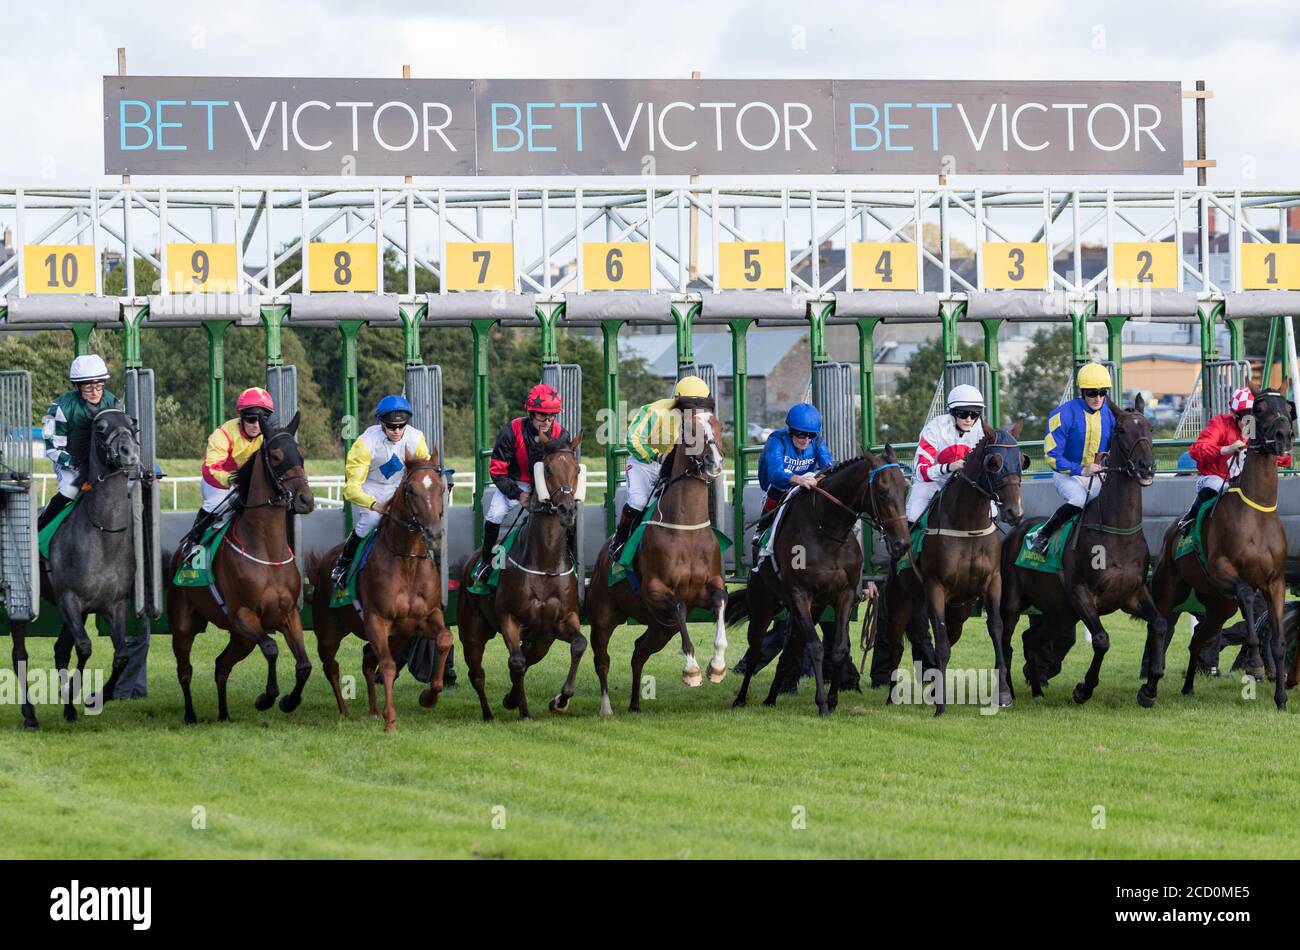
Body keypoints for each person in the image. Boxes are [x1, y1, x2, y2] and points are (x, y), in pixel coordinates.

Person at [331, 395, 431, 587]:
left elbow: (423, 469)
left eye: (401, 426)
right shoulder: (366, 442)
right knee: (371, 520)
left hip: (400, 489)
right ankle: (343, 564)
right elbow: (351, 489)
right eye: (391, 427)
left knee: (423, 518)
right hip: (371, 489)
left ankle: (431, 562)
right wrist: (375, 505)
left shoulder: (416, 438)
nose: (397, 431)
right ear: (381, 424)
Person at [475, 383, 570, 584]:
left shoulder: (562, 434)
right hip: (514, 483)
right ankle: (485, 563)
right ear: (531, 413)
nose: (547, 421)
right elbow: (497, 471)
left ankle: (570, 561)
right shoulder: (511, 430)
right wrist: (518, 494)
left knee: (568, 513)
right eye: (542, 416)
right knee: (495, 514)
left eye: (552, 416)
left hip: (547, 484)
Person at [609, 375, 711, 560]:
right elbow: (632, 439)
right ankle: (621, 539)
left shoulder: (701, 418)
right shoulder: (654, 410)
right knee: (639, 502)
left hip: (673, 467)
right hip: (644, 464)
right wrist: (657, 455)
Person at [1027, 362, 1115, 554]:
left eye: (1102, 392)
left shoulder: (1109, 414)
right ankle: (1042, 535)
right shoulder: (1062, 414)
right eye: (1092, 393)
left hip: (1097, 474)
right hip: (1067, 475)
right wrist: (1082, 470)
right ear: (1082, 391)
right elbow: (1052, 456)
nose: (1098, 398)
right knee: (1079, 498)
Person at [1179, 386, 1292, 535]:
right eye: (1245, 418)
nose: (1249, 423)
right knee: (1222, 488)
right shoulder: (1219, 423)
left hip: (1242, 482)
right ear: (1235, 415)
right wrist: (1225, 449)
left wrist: (1278, 451)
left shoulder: (1255, 432)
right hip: (1214, 478)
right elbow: (1196, 450)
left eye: (1253, 418)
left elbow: (1286, 460)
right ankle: (1190, 517)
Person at [178, 387, 274, 557]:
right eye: (251, 419)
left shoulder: (266, 436)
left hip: (248, 483)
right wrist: (233, 480)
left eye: (262, 419)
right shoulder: (223, 434)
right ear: (241, 417)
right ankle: (193, 541)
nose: (256, 425)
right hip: (219, 483)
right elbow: (210, 468)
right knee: (217, 504)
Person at [39, 354, 120, 531]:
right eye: (89, 387)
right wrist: (77, 464)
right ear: (77, 386)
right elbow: (52, 449)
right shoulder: (60, 407)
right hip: (71, 463)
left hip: (103, 464)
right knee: (70, 491)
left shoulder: (112, 401)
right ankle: (40, 526)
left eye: (99, 386)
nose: (95, 392)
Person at [906, 384, 987, 525]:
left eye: (974, 414)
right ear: (953, 412)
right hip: (932, 482)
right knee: (914, 513)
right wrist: (949, 467)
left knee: (993, 510)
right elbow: (921, 472)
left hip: (965, 482)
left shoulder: (981, 430)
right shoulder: (933, 429)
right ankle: (909, 545)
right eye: (963, 413)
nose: (969, 419)